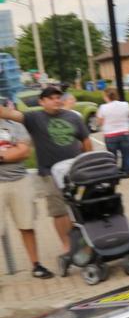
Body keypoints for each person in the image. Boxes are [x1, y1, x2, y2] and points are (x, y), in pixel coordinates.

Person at [0, 86, 92, 275]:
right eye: (50, 98)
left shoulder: (73, 117)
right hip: (50, 173)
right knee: (59, 212)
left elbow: (86, 141)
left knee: (85, 208)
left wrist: (88, 162)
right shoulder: (34, 119)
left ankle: (90, 243)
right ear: (42, 102)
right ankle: (67, 248)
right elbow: (5, 112)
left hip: (76, 172)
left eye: (58, 97)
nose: (56, 100)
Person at [0, 107, 50, 278]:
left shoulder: (14, 125)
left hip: (20, 181)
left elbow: (24, 151)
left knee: (26, 225)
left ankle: (36, 265)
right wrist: (10, 152)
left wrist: (2, 156)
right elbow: (17, 151)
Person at [97, 87, 129, 185]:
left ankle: (114, 180)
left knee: (112, 158)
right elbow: (128, 116)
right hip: (125, 134)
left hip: (110, 135)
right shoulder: (125, 105)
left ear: (106, 96)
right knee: (127, 156)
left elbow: (100, 123)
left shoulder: (103, 108)